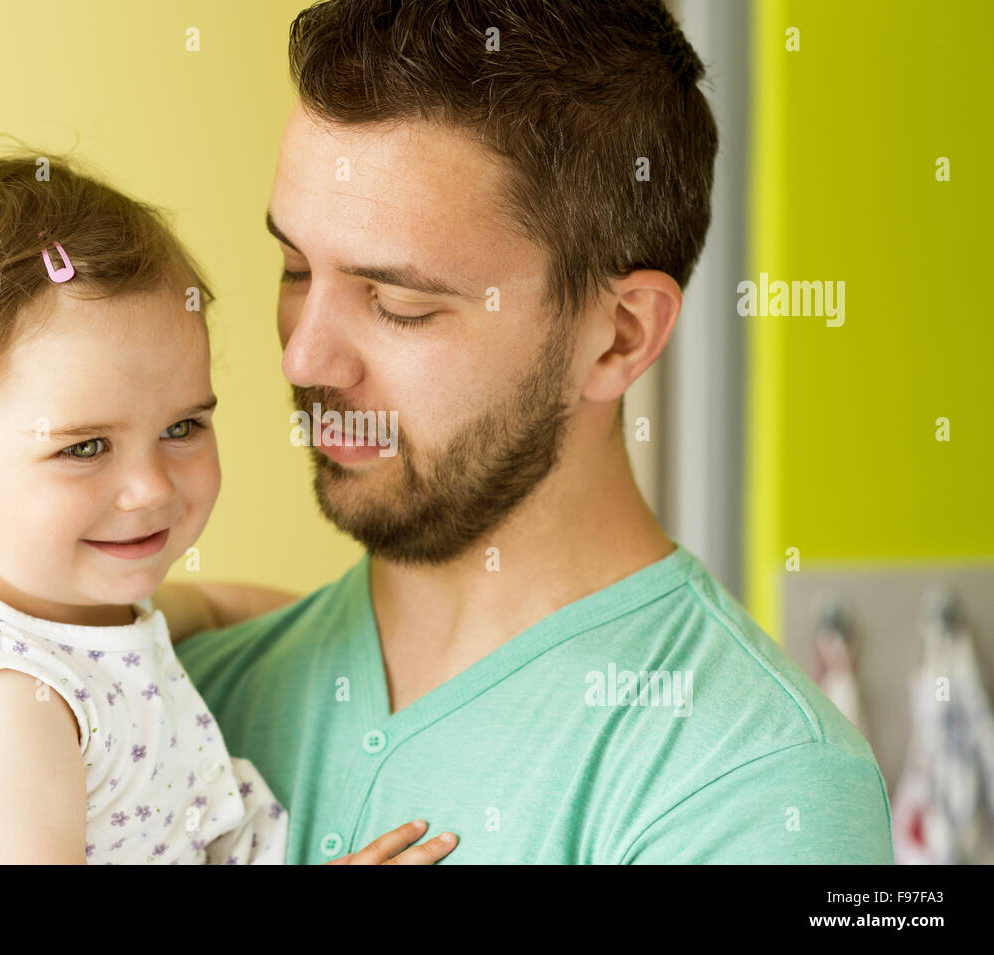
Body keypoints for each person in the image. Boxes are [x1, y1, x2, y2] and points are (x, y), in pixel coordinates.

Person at [170, 0, 895, 863]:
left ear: (620, 333)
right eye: (295, 268)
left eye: (399, 304)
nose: (304, 355)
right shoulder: (175, 698)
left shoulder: (758, 786)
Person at [0, 153, 455, 865]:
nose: (153, 489)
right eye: (85, 447)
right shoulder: (0, 705)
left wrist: (391, 643)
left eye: (181, 428)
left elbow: (219, 608)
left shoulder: (75, 611)